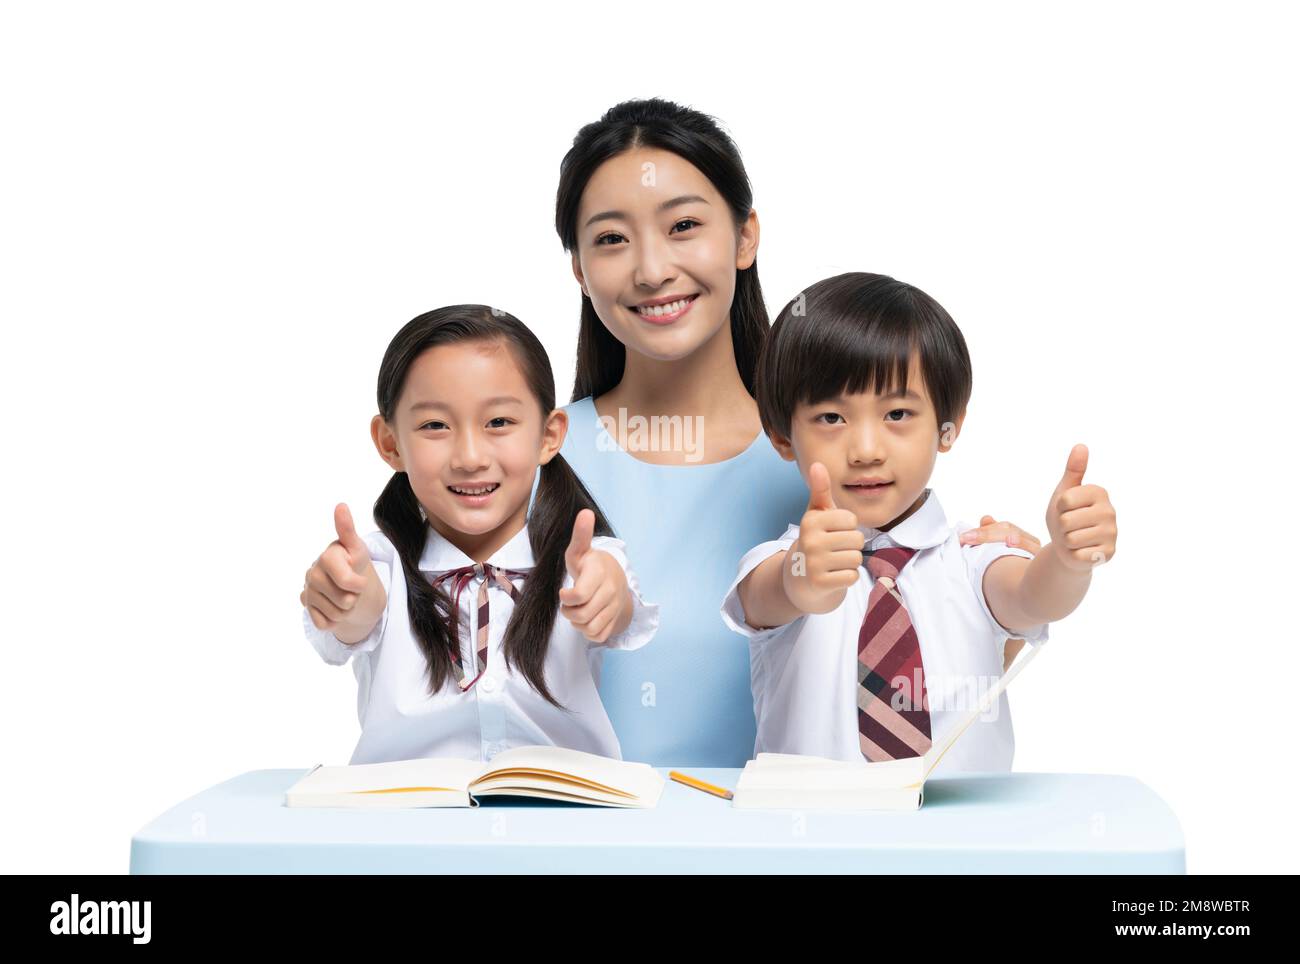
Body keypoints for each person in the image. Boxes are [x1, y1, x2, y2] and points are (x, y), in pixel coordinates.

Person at [552, 97, 1043, 766]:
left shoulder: (839, 453)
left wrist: (1012, 593)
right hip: (592, 828)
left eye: (684, 225)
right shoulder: (527, 463)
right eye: (612, 238)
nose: (652, 269)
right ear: (579, 269)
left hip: (803, 824)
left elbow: (949, 675)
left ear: (745, 237)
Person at [720, 273, 1118, 774]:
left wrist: (1067, 558)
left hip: (964, 822)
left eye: (898, 414)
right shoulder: (778, 562)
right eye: (831, 418)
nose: (866, 450)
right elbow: (773, 594)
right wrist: (804, 575)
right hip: (810, 820)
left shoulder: (974, 560)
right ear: (782, 437)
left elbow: (1034, 597)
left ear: (948, 427)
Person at [299, 305, 660, 765]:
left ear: (549, 436)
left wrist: (607, 598)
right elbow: (354, 617)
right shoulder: (378, 567)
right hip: (406, 808)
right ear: (391, 444)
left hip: (562, 806)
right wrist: (345, 601)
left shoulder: (584, 562)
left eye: (498, 423)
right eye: (435, 426)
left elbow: (620, 608)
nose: (470, 457)